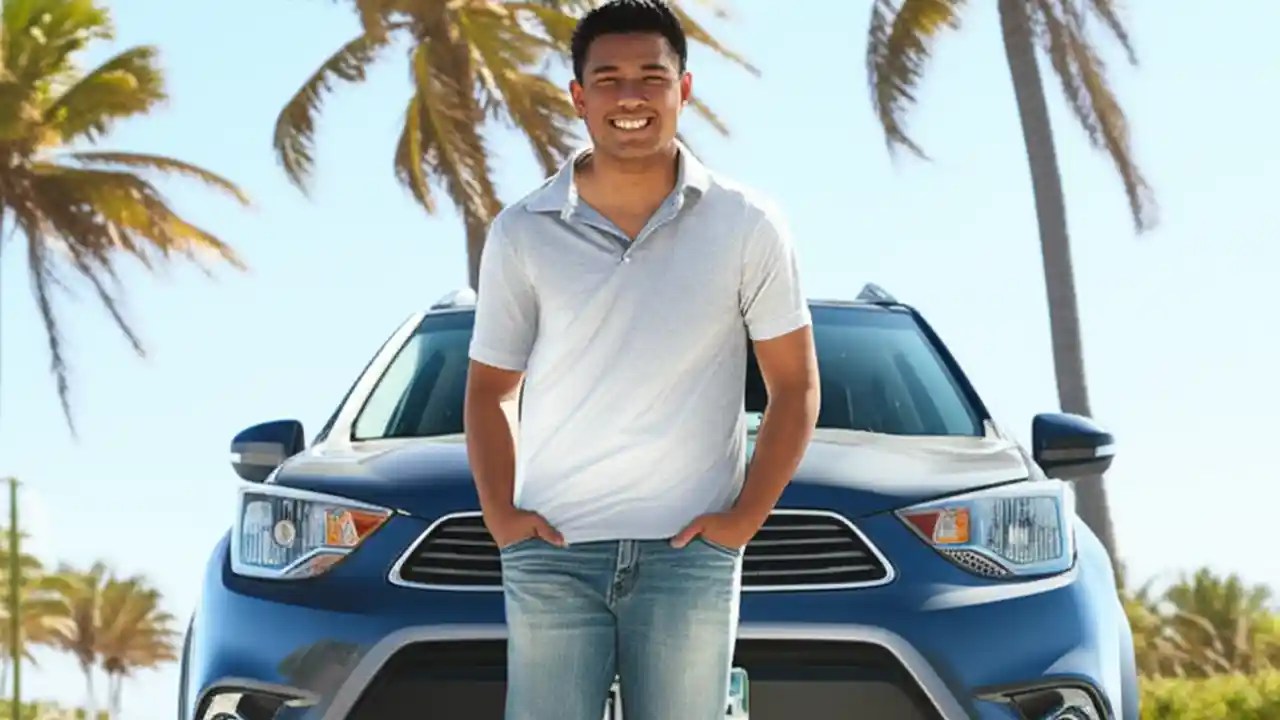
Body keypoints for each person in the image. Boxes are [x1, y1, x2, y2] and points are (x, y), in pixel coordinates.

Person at [462, 1, 820, 718]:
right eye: (609, 78)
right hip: (554, 557)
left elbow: (795, 385)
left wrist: (741, 522)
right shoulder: (521, 232)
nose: (630, 97)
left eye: (652, 77)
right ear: (579, 96)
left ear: (684, 89)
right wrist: (503, 517)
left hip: (689, 559)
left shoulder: (747, 223)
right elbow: (491, 388)